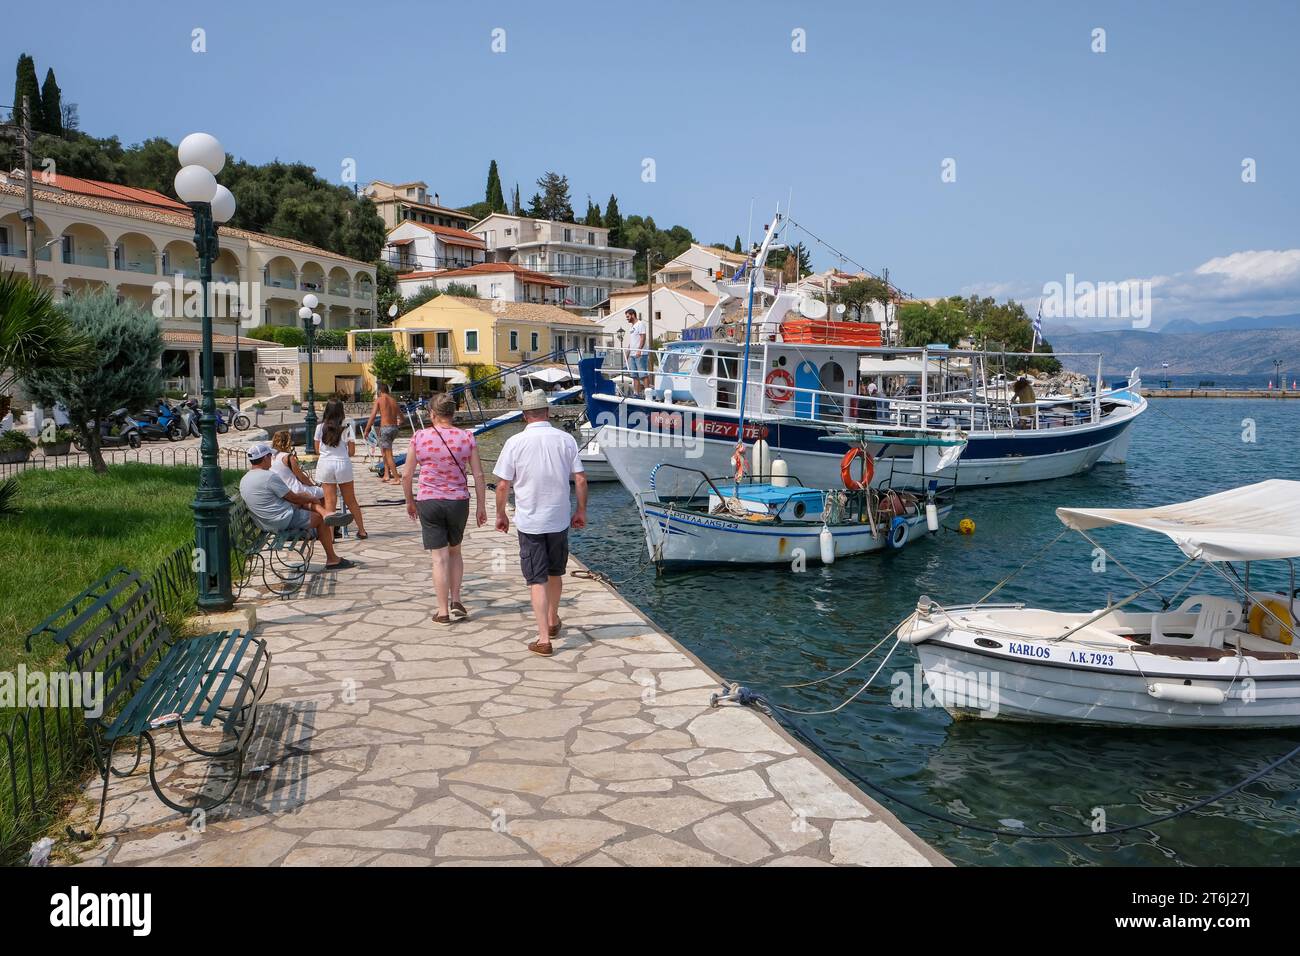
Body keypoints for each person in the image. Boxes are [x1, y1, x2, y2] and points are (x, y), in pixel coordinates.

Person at [493, 389, 587, 656]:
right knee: (555, 572)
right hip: (559, 519)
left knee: (537, 579)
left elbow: (502, 485)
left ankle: (544, 639)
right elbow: (580, 479)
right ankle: (553, 619)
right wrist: (581, 510)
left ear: (525, 415)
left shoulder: (514, 443)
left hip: (530, 521)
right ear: (547, 412)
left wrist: (500, 514)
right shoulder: (566, 440)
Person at [403, 393, 488, 626]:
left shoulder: (419, 437)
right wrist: (481, 506)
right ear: (453, 413)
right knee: (455, 552)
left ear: (432, 414)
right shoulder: (466, 437)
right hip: (458, 501)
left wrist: (410, 501)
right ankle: (457, 599)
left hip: (429, 501)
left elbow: (407, 474)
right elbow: (479, 474)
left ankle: (442, 611)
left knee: (438, 558)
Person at [239, 441, 353, 569]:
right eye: (270, 456)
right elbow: (293, 497)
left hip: (264, 522)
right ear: (265, 458)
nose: (271, 459)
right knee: (318, 519)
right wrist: (312, 498)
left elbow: (290, 498)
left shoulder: (245, 479)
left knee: (303, 503)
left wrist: (306, 499)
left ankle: (326, 513)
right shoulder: (268, 477)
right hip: (280, 520)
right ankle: (332, 559)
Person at [314, 398, 369, 539]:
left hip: (325, 464)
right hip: (342, 464)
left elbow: (316, 449)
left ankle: (331, 536)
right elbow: (352, 452)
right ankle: (362, 530)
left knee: (329, 502)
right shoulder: (348, 426)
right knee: (351, 500)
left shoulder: (320, 427)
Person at [269, 429, 325, 504]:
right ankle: (326, 513)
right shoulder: (287, 457)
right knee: (323, 492)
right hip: (294, 489)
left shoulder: (270, 457)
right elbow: (301, 477)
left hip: (282, 490)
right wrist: (313, 485)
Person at [363, 382, 402, 484]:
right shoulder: (393, 401)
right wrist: (398, 423)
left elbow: (373, 416)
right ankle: (386, 474)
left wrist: (366, 429)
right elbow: (402, 418)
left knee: (388, 454)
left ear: (380, 391)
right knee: (384, 452)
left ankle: (396, 478)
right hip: (394, 429)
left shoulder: (379, 400)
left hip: (385, 429)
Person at [624, 308, 648, 396]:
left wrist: (639, 350)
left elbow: (643, 338)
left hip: (640, 354)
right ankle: (636, 393)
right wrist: (627, 353)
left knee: (643, 374)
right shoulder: (632, 327)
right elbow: (632, 342)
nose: (627, 318)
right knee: (634, 375)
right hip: (632, 355)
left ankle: (647, 394)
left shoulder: (640, 324)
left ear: (633, 315)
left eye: (628, 316)